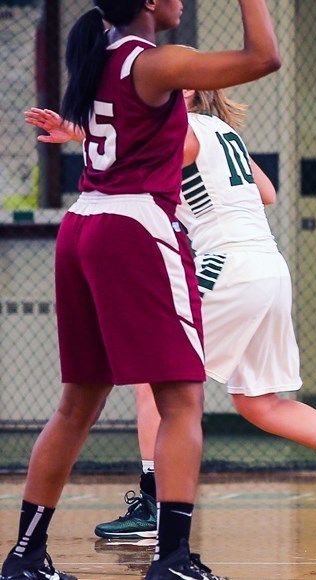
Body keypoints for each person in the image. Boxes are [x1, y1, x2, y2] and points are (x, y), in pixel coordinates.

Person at [25, 88, 316, 540]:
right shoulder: (224, 132)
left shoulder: (177, 129)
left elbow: (124, 147)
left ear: (185, 90)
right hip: (267, 267)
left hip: (226, 266)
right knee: (258, 401)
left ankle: (153, 504)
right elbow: (267, 192)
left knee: (153, 376)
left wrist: (75, 132)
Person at [1, 1, 280, 579]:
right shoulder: (157, 62)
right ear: (150, 2)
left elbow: (125, 127)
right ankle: (173, 560)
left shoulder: (99, 51)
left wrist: (74, 131)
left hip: (82, 225)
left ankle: (25, 555)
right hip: (136, 228)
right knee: (182, 401)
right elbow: (264, 58)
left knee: (77, 404)